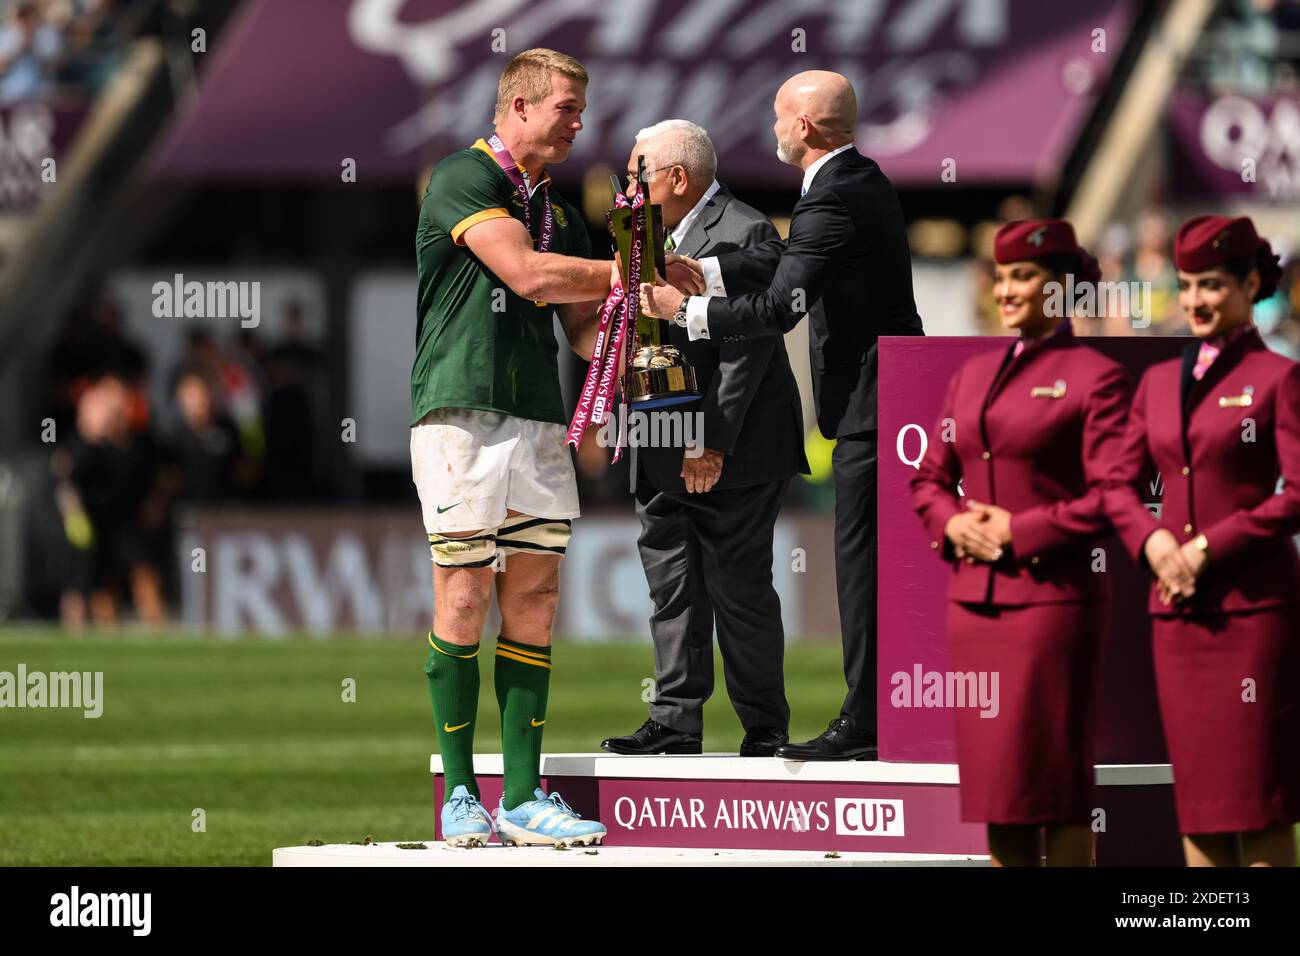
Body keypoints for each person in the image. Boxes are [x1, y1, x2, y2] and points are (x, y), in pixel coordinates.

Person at [641, 71, 924, 759]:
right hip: (879, 400)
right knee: (866, 566)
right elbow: (785, 269)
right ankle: (870, 714)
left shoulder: (831, 196)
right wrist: (703, 276)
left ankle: (865, 722)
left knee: (861, 567)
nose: (770, 129)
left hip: (872, 402)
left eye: (776, 117)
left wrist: (689, 310)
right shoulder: (855, 182)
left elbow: (780, 307)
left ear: (802, 128)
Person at [412, 48, 613, 848]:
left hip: (537, 419)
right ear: (519, 106)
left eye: (580, 108)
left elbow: (580, 324)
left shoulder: (563, 211)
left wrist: (630, 351)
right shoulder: (464, 178)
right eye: (566, 107)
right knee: (464, 594)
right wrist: (634, 271)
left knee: (534, 600)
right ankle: (462, 791)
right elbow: (529, 277)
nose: (578, 121)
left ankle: (524, 798)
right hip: (462, 413)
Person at [909, 219, 1133, 866]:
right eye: (1002, 275)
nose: (1007, 289)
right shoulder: (972, 374)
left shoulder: (1098, 377)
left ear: (1062, 288)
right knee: (997, 796)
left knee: (1057, 790)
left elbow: (1112, 494)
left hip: (1053, 608)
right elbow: (929, 476)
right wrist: (950, 522)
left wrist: (1019, 530)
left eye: (1025, 276)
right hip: (973, 611)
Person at [598, 120, 807, 758]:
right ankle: (674, 721)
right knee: (671, 588)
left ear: (678, 178)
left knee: (740, 587)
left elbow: (748, 347)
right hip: (656, 434)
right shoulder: (636, 241)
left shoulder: (745, 231)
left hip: (734, 446)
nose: (628, 191)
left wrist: (709, 440)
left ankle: (765, 727)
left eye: (639, 176)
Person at [1106, 214, 1300, 867]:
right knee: (1202, 802)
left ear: (1251, 286)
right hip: (1178, 616)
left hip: (1251, 615)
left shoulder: (1280, 379)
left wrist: (1209, 548)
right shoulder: (1157, 384)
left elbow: (1296, 494)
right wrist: (1155, 545)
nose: (1194, 301)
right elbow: (1117, 486)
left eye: (1212, 285)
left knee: (1259, 800)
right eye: (1187, 285)